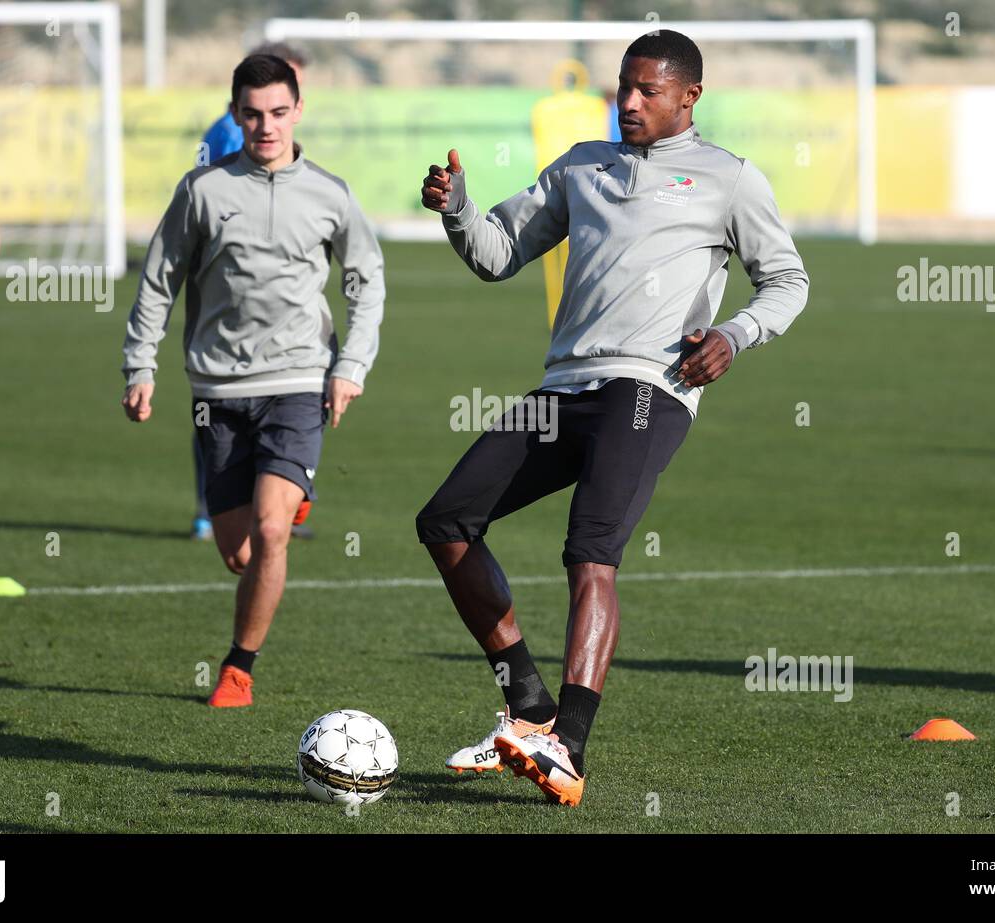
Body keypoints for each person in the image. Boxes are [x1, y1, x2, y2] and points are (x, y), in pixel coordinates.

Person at [417, 30, 809, 805]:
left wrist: (733, 333)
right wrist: (458, 207)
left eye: (647, 91)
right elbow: (497, 253)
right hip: (566, 386)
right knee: (447, 520)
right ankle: (530, 710)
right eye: (622, 87)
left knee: (590, 552)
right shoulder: (581, 166)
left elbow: (787, 281)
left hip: (649, 387)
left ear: (689, 96)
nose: (628, 102)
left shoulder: (728, 179)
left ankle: (570, 745)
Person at [122, 54, 384, 708]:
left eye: (277, 112)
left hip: (299, 381)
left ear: (298, 109)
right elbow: (158, 282)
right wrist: (140, 364)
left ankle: (239, 666)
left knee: (272, 533)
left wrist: (349, 366)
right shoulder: (202, 190)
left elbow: (367, 282)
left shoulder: (331, 193)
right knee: (240, 552)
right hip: (217, 394)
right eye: (252, 114)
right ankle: (289, 492)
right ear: (235, 115)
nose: (265, 126)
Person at [191, 41, 313, 542]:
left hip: (280, 329)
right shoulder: (226, 139)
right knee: (220, 404)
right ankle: (219, 509)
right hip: (225, 298)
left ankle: (277, 498)